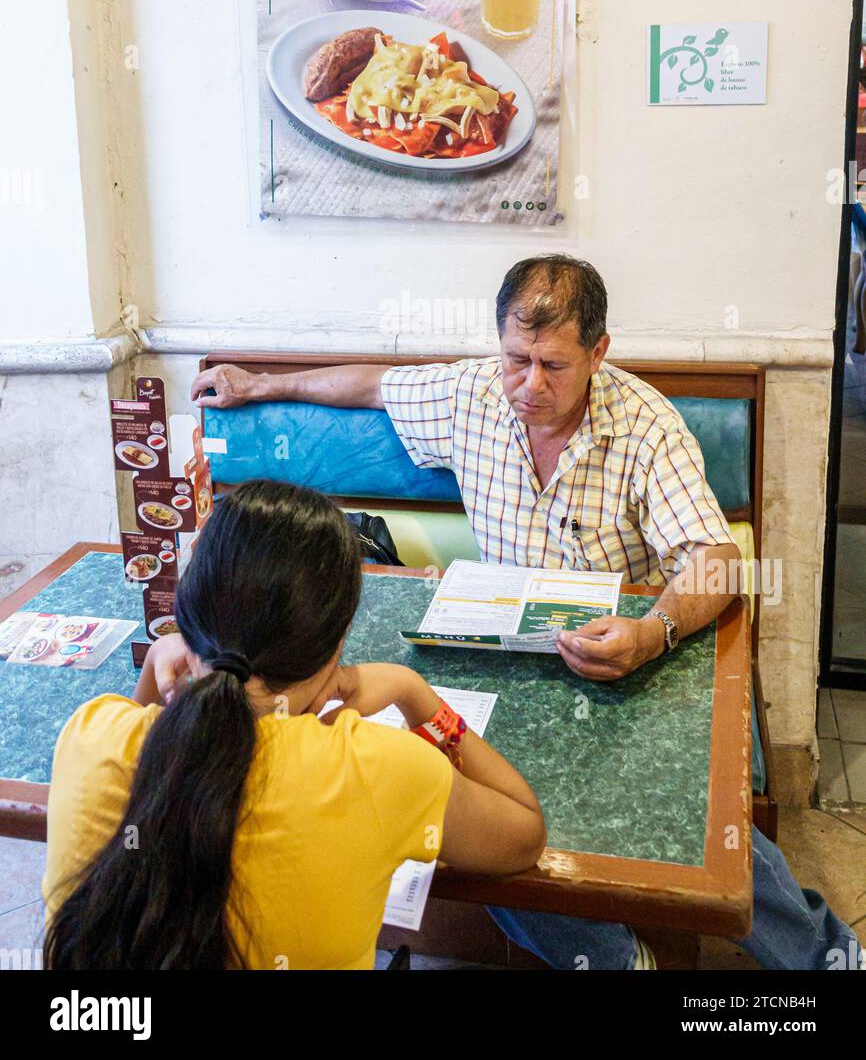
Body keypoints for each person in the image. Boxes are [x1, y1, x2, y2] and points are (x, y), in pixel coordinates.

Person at [192, 254, 863, 970]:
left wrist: (650, 632)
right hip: (497, 659)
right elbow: (372, 386)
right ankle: (613, 958)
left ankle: (825, 955)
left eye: (554, 365)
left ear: (598, 353)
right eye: (517, 359)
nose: (530, 385)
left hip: (622, 666)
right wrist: (261, 384)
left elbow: (719, 559)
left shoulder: (645, 427)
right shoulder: (473, 392)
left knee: (697, 814)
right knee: (481, 823)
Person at [42, 481, 546, 970]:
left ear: (186, 615)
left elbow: (149, 734)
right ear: (338, 642)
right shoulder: (379, 766)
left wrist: (157, 662)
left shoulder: (90, 733)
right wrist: (414, 691)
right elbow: (523, 836)